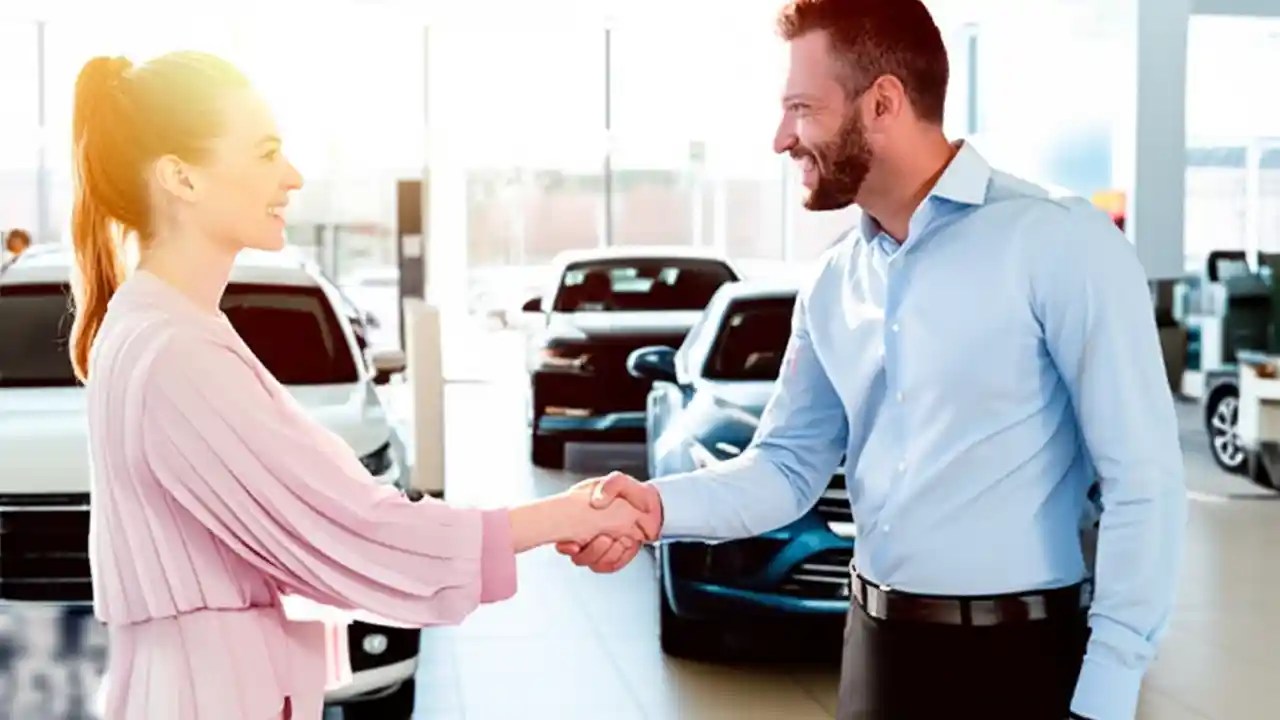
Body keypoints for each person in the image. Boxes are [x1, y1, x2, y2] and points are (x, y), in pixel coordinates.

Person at [559, 1, 1186, 719]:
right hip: (875, 653)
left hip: (1024, 662)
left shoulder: (1058, 243)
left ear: (882, 102)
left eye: (800, 108)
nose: (779, 139)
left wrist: (1107, 693)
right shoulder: (833, 281)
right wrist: (656, 506)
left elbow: (1144, 480)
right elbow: (786, 467)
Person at [69, 52, 656, 720]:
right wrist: (562, 517)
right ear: (181, 177)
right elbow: (350, 529)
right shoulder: (175, 351)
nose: (291, 177)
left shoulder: (160, 326)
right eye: (265, 154)